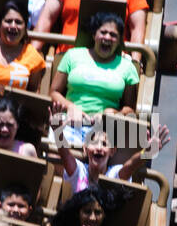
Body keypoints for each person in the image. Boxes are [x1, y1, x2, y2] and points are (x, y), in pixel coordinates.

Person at [50, 10, 139, 142]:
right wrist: (71, 107)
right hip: (70, 120)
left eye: (113, 35)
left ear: (119, 40)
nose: (107, 38)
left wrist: (113, 113)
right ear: (94, 35)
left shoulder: (128, 67)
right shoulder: (72, 55)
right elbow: (53, 92)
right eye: (103, 32)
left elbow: (130, 109)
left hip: (105, 128)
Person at [56, 122, 170, 193]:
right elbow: (65, 154)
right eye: (94, 143)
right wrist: (57, 131)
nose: (99, 148)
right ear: (85, 149)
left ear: (112, 151)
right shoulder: (79, 170)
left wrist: (146, 153)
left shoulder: (114, 174)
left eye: (104, 144)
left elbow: (130, 165)